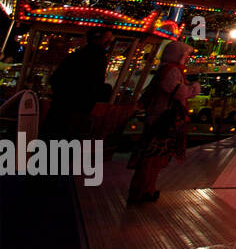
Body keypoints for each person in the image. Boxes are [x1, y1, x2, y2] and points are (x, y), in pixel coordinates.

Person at [127, 41, 197, 204]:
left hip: (161, 117)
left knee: (155, 157)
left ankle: (146, 188)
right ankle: (141, 190)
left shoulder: (169, 70)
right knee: (153, 157)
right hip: (163, 119)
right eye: (185, 55)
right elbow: (178, 92)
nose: (186, 58)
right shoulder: (171, 71)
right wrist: (194, 88)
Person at [45, 28, 113, 140]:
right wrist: (103, 91)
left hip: (63, 108)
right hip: (75, 110)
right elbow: (92, 85)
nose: (110, 41)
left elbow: (56, 79)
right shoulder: (96, 58)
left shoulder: (78, 56)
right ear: (96, 39)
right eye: (107, 38)